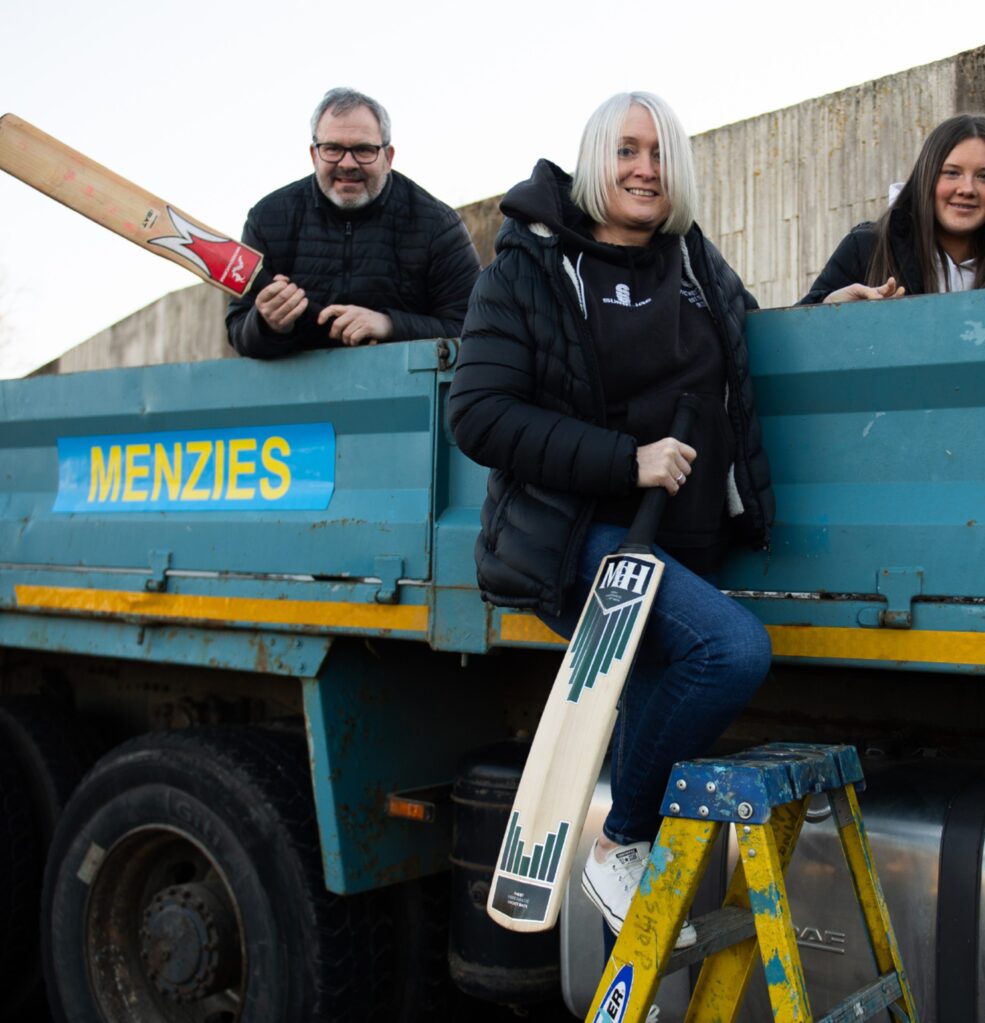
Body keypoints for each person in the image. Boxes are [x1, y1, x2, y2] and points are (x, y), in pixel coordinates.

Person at [447, 92, 774, 947]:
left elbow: (753, 337)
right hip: (574, 537)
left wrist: (835, 306)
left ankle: (618, 894)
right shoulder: (527, 264)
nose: (645, 169)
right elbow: (478, 415)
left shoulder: (695, 263)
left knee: (672, 681)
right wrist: (624, 459)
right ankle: (620, 840)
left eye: (661, 154)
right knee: (731, 649)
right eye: (628, 150)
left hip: (672, 541)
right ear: (597, 159)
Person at [226, 88, 481, 358]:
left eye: (363, 149)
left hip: (404, 393)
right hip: (294, 396)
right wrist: (267, 324)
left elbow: (474, 328)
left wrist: (389, 325)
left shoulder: (437, 226)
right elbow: (238, 330)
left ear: (388, 157)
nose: (347, 163)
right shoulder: (268, 218)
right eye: (332, 148)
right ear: (314, 155)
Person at [797, 113, 985, 304]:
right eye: (952, 173)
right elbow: (792, 342)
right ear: (925, 178)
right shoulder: (865, 248)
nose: (967, 188)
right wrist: (831, 309)